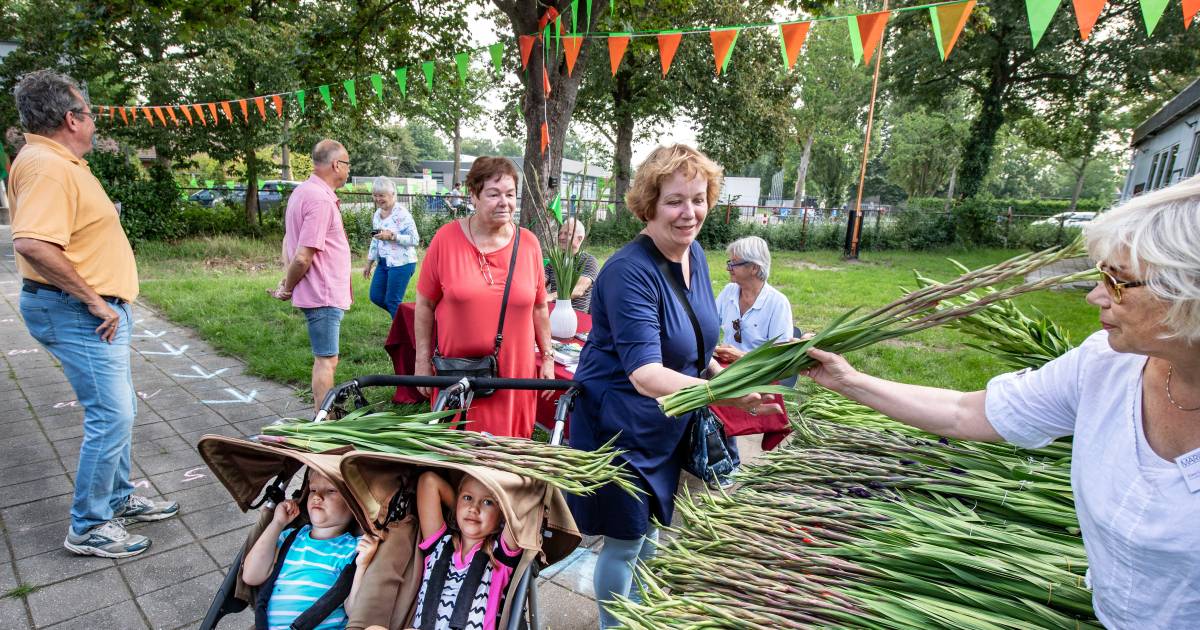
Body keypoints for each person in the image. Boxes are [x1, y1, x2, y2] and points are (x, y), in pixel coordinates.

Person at [800, 175, 1200, 629]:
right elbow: (966, 413)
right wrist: (849, 381)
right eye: (1100, 276)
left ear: (1189, 292)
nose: (1095, 296)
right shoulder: (1106, 366)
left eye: (1118, 282)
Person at [565, 145, 777, 628]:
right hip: (618, 426)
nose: (690, 213)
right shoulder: (627, 272)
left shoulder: (693, 254)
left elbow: (694, 344)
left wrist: (723, 375)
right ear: (650, 205)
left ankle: (642, 616)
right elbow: (645, 373)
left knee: (654, 530)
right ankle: (614, 625)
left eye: (699, 199)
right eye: (675, 201)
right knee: (625, 540)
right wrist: (726, 395)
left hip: (665, 419)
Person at [9, 69, 178, 559]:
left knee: (120, 410)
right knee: (112, 414)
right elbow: (33, 243)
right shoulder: (48, 166)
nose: (94, 121)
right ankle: (89, 524)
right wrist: (93, 299)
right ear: (71, 118)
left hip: (88, 311)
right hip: (80, 312)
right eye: (89, 112)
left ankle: (118, 498)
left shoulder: (56, 162)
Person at [413, 156, 554, 438]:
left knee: (509, 453)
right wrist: (421, 361)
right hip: (458, 375)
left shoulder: (529, 244)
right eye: (493, 194)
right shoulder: (446, 239)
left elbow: (539, 307)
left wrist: (547, 357)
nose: (504, 202)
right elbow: (425, 305)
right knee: (457, 453)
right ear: (474, 196)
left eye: (510, 194)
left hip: (513, 377)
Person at [379, 471, 521, 630]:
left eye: (488, 502)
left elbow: (521, 505)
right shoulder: (440, 545)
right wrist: (459, 511)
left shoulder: (499, 555)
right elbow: (428, 481)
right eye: (467, 498)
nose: (474, 508)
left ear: (502, 517)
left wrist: (465, 508)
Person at [270, 139, 353, 413]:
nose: (349, 170)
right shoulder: (320, 199)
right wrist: (288, 286)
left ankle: (323, 415)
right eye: (347, 164)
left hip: (317, 292)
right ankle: (322, 420)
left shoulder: (302, 192)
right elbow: (302, 256)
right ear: (336, 165)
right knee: (326, 360)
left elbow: (288, 241)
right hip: (323, 293)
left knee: (326, 358)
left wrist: (287, 282)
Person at [242, 470, 373, 630]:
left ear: (354, 503)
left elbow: (355, 612)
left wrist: (362, 566)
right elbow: (251, 576)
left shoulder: (356, 548)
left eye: (331, 491)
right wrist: (277, 523)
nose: (317, 496)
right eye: (313, 490)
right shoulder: (289, 537)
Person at [713, 236, 794, 364]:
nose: (728, 268)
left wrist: (741, 356)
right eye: (730, 263)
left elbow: (780, 357)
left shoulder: (778, 303)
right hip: (724, 366)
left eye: (734, 263)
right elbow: (709, 324)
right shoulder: (729, 291)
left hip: (757, 372)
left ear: (754, 268)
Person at [363, 177, 419, 318]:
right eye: (375, 195)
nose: (378, 199)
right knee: (376, 296)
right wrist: (369, 262)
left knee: (392, 301)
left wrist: (393, 236)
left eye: (381, 195)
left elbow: (415, 239)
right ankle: (412, 320)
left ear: (393, 194)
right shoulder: (377, 214)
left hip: (402, 263)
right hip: (383, 263)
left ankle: (405, 329)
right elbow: (375, 239)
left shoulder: (402, 214)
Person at [544, 218, 600, 314]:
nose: (561, 237)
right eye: (560, 233)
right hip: (554, 314)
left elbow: (579, 289)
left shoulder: (588, 261)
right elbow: (540, 282)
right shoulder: (554, 261)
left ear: (579, 239)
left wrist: (551, 296)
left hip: (578, 318)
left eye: (567, 234)